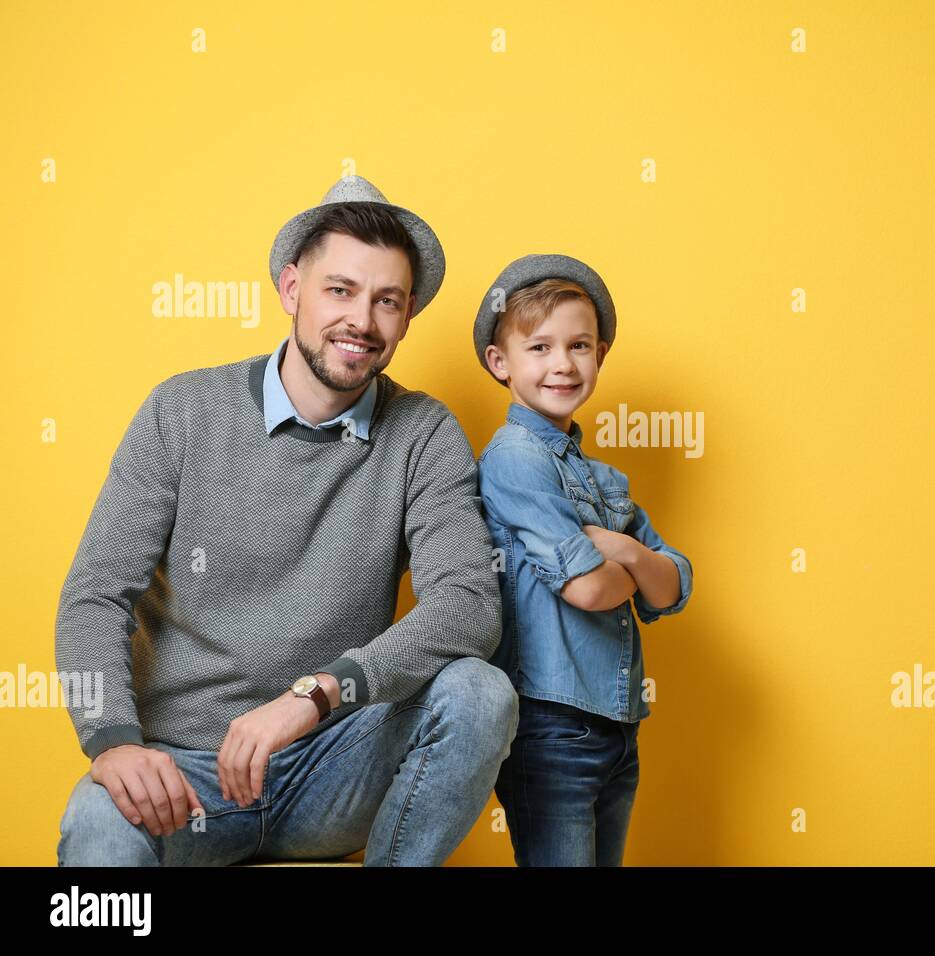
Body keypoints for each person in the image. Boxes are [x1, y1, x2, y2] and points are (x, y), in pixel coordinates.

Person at [54, 175, 517, 866]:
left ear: (408, 313)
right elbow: (95, 594)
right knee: (96, 825)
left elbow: (468, 607)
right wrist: (113, 740)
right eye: (340, 290)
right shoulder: (181, 411)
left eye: (386, 300)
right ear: (292, 288)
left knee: (481, 693)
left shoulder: (422, 432)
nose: (362, 319)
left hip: (332, 768)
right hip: (187, 780)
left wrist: (317, 694)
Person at [473, 254, 694, 865]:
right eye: (539, 347)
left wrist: (620, 548)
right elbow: (589, 591)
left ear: (599, 355)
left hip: (618, 724)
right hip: (553, 725)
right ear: (502, 363)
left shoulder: (604, 477)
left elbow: (674, 586)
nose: (562, 364)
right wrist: (639, 566)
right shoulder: (515, 456)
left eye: (579, 345)